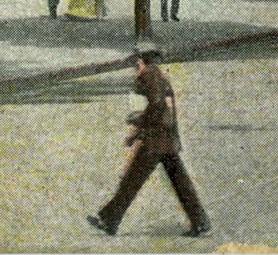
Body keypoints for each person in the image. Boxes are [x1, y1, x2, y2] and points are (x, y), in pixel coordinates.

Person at [87, 45, 210, 238]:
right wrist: (137, 132)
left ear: (141, 59)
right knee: (180, 181)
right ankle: (200, 221)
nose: (136, 63)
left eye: (137, 59)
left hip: (154, 139)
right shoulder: (160, 75)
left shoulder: (148, 74)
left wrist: (137, 122)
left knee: (131, 178)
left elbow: (156, 104)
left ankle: (109, 220)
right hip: (165, 137)